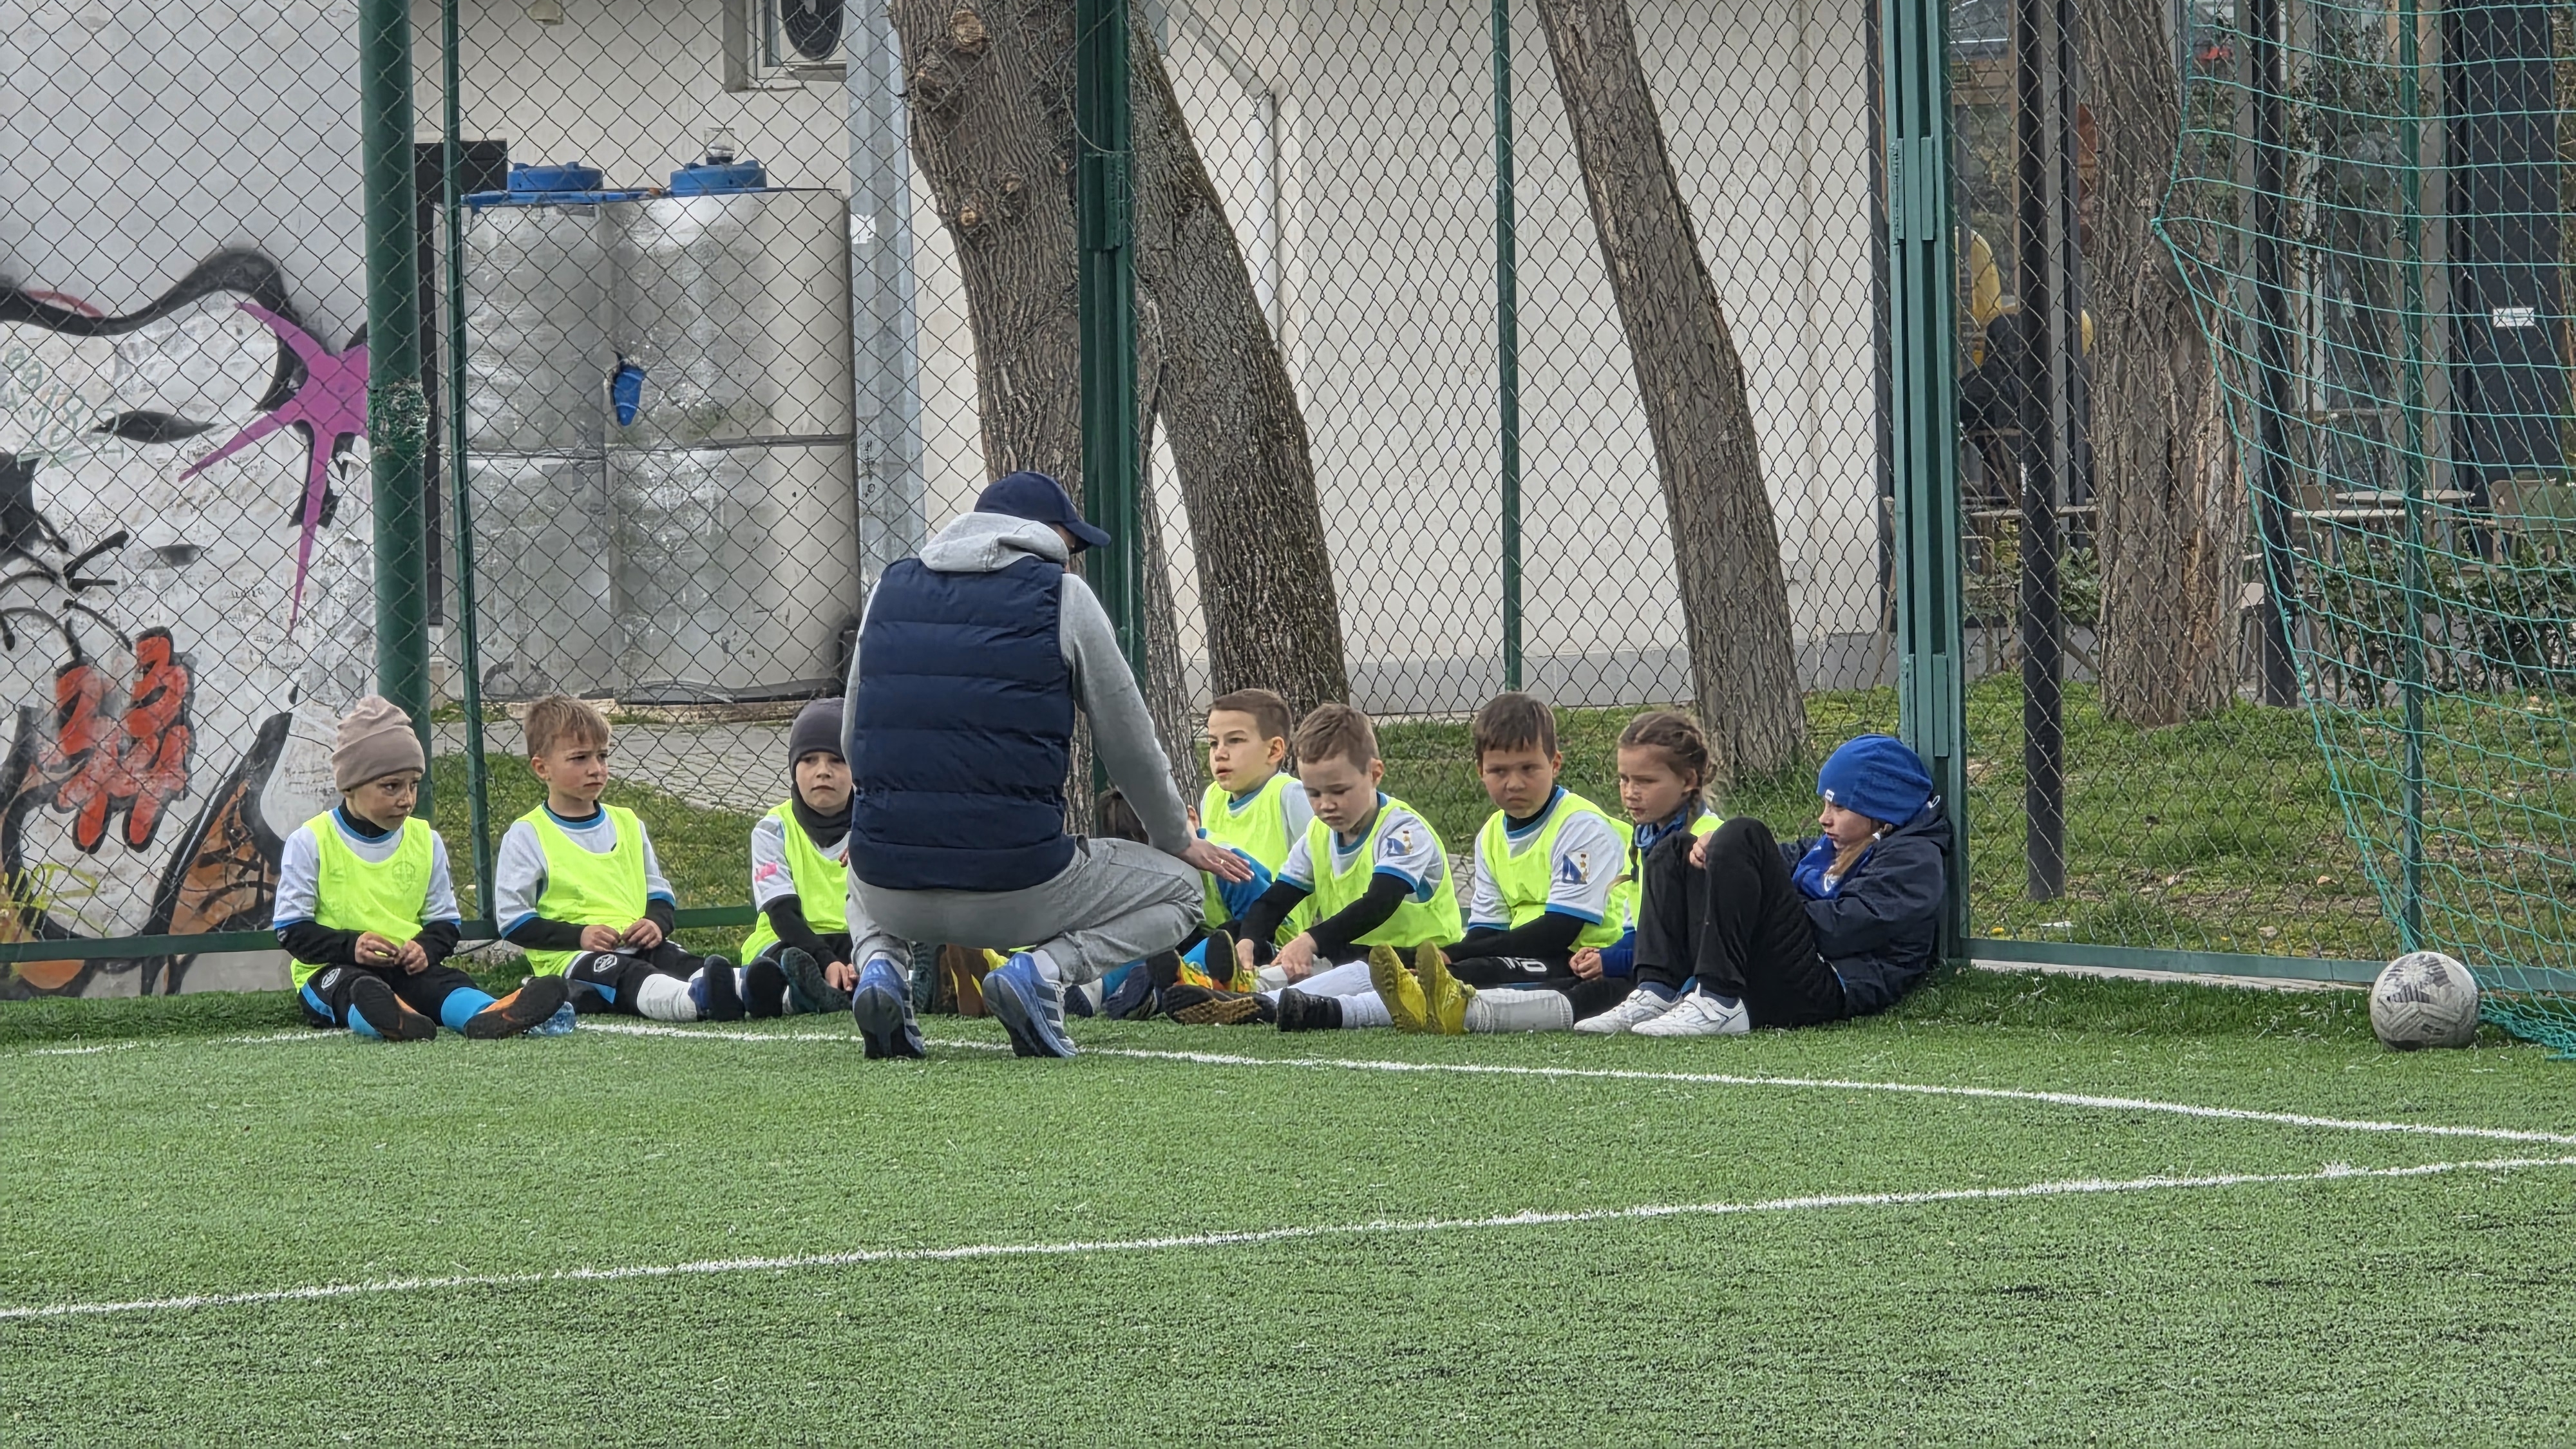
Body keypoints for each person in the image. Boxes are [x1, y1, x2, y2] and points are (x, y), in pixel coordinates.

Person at [840, 470, 1251, 1059]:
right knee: (1184, 891)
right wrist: (1174, 836)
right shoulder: (1064, 597)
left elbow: (855, 738)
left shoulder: (888, 590)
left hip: (889, 893)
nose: (1072, 559)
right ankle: (1039, 973)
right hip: (1017, 891)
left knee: (866, 847)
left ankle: (880, 968)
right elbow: (1129, 743)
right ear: (1044, 534)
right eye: (1073, 545)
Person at [1611, 733, 1949, 1037]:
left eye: (1840, 807)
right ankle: (1658, 989)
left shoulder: (1914, 861)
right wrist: (1720, 854)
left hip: (1826, 981)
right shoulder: (1834, 845)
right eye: (1825, 804)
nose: (1824, 817)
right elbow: (1774, 861)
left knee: (1745, 833)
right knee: (1677, 851)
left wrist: (1759, 908)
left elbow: (1842, 930)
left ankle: (1718, 1000)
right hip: (1793, 960)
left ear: (1881, 812)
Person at [274, 696, 567, 1041]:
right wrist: (351, 947)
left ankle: (491, 1013)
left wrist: (424, 949)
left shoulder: (426, 840)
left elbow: (445, 924)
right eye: (391, 786)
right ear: (350, 784)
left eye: (413, 784)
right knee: (354, 987)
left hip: (404, 968)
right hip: (330, 969)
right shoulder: (310, 841)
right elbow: (291, 931)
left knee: (443, 982)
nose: (407, 799)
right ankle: (386, 1019)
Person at [1379, 692, 1631, 1035]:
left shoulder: (1581, 827)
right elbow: (1488, 929)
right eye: (1499, 771)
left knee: (1479, 971)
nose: (1514, 783)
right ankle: (1349, 1004)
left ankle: (1389, 1006)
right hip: (1531, 951)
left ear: (1555, 764)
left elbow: (1559, 929)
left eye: (1528, 768)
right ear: (1481, 771)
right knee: (1440, 963)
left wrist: (1455, 956)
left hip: (1582, 958)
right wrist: (1451, 953)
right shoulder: (1491, 834)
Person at [1215, 703, 1461, 1033]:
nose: (1325, 805)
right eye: (1313, 793)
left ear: (1375, 774)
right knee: (1286, 966)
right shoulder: (1319, 833)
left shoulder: (1403, 831)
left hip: (1418, 963)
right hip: (1348, 958)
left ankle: (1256, 1000)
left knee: (1323, 977)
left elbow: (1379, 904)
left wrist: (1311, 940)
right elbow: (1275, 900)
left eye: (1339, 791)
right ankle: (1232, 988)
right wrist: (1248, 940)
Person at [495, 694, 742, 1023]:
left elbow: (660, 894)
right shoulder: (527, 834)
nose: (596, 769)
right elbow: (513, 921)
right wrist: (580, 935)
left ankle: (770, 990)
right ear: (543, 768)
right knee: (631, 974)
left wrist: (655, 923)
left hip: (639, 944)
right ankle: (696, 1003)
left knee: (686, 963)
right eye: (580, 758)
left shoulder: (628, 823)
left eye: (602, 756)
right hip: (573, 958)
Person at [1571, 711, 1725, 1034]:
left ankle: (1670, 997)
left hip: (1694, 971)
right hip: (1652, 963)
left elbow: (1693, 944)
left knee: (1593, 993)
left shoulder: (1707, 839)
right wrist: (1606, 954)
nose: (1630, 792)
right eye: (1625, 779)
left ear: (1688, 781)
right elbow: (1639, 929)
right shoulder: (1642, 838)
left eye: (1645, 781)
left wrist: (1614, 962)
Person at [737, 699, 861, 1018]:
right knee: (778, 961)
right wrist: (825, 961)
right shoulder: (772, 829)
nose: (823, 771)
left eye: (837, 760)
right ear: (793, 768)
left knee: (880, 954)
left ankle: (818, 993)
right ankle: (811, 991)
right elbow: (781, 914)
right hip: (789, 940)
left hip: (854, 940)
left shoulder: (874, 825)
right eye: (809, 760)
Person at [1192, 687, 1313, 980]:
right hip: (1218, 926)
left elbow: (1322, 867)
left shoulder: (1289, 795)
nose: (1220, 752)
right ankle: (1102, 988)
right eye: (1212, 743)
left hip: (1273, 932)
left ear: (1274, 750)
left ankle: (1173, 978)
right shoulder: (1213, 797)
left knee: (1233, 870)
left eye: (1235, 740)